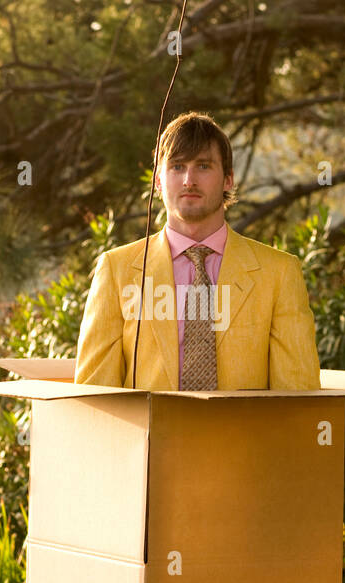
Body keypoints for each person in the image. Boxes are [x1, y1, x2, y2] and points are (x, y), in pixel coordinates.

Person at [74, 112, 321, 390]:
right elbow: (94, 398)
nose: (189, 180)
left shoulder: (279, 273)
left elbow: (298, 397)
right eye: (177, 167)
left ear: (228, 179)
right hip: (150, 434)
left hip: (242, 434)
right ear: (158, 181)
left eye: (203, 166)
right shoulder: (116, 270)